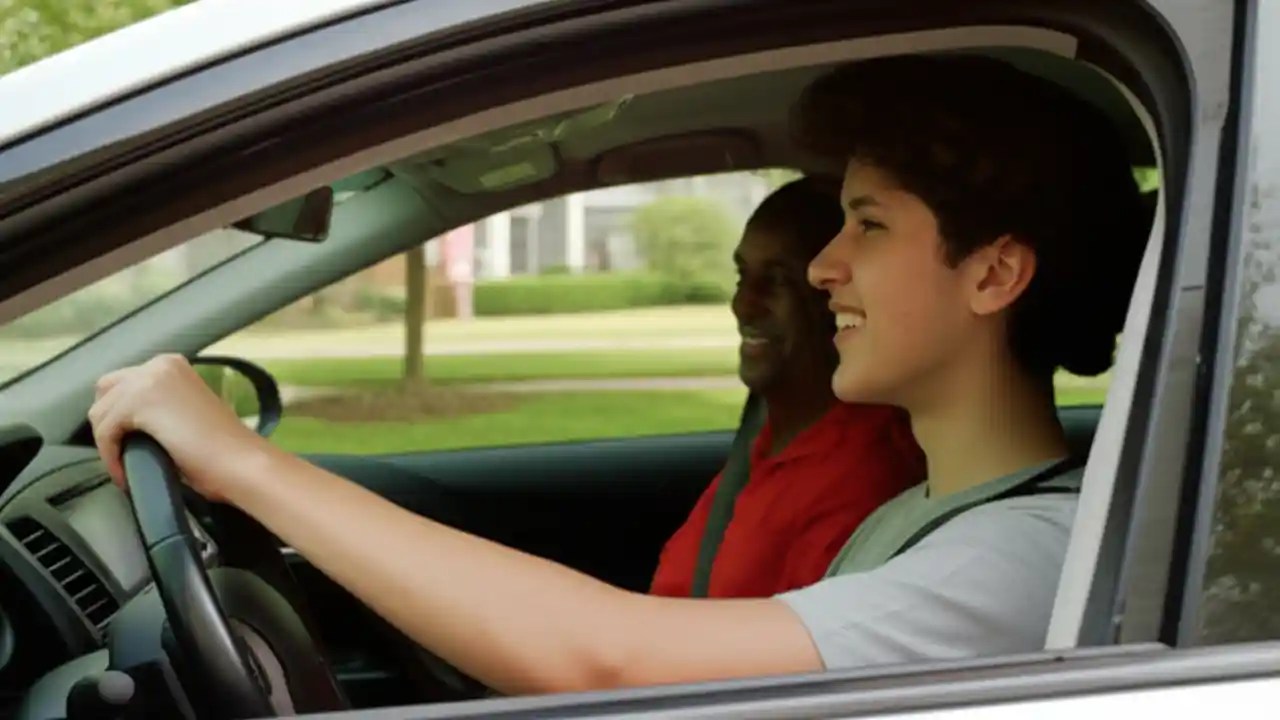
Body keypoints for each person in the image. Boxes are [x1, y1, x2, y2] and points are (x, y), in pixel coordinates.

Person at [88, 54, 1149, 694]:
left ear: (994, 273)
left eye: (867, 226)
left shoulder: (1019, 557)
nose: (826, 267)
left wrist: (241, 462)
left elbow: (610, 661)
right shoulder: (929, 514)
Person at [650, 177, 923, 599]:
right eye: (743, 276)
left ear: (839, 297)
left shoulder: (861, 475)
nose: (743, 304)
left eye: (778, 281)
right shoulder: (769, 441)